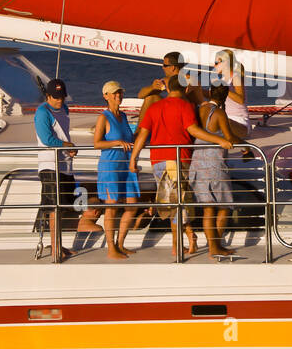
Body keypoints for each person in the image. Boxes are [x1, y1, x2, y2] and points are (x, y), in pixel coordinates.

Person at [130, 74, 234, 259]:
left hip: (157, 162)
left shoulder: (154, 107)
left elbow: (142, 134)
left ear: (168, 89)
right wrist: (220, 140)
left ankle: (182, 243)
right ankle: (177, 247)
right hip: (178, 160)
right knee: (177, 205)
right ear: (186, 89)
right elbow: (193, 130)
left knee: (175, 205)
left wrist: (133, 159)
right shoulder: (185, 106)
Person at [34, 79, 101, 262]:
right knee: (55, 207)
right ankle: (55, 248)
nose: (59, 100)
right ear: (48, 96)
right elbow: (47, 138)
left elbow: (63, 134)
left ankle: (59, 243)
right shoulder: (42, 112)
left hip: (65, 166)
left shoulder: (64, 110)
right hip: (50, 165)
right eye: (55, 97)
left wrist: (68, 148)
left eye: (62, 96)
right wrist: (67, 144)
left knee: (63, 207)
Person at [190, 85, 245, 258]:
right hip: (215, 163)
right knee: (224, 207)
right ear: (225, 97)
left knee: (208, 209)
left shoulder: (199, 110)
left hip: (197, 162)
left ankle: (212, 247)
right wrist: (245, 146)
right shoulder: (219, 113)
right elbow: (229, 137)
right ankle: (216, 246)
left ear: (211, 93)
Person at [93, 80, 140, 260]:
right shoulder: (103, 117)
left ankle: (120, 244)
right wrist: (117, 143)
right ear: (106, 96)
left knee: (132, 205)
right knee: (111, 207)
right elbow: (97, 143)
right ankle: (111, 248)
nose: (118, 95)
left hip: (126, 166)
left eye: (119, 92)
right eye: (114, 93)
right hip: (110, 166)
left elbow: (130, 138)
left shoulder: (124, 116)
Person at [213, 49, 250, 137]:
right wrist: (197, 89)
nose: (213, 65)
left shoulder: (235, 78)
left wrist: (223, 88)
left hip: (239, 122)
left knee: (220, 121)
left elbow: (241, 99)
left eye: (216, 62)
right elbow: (213, 96)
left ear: (225, 63)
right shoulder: (222, 80)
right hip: (225, 119)